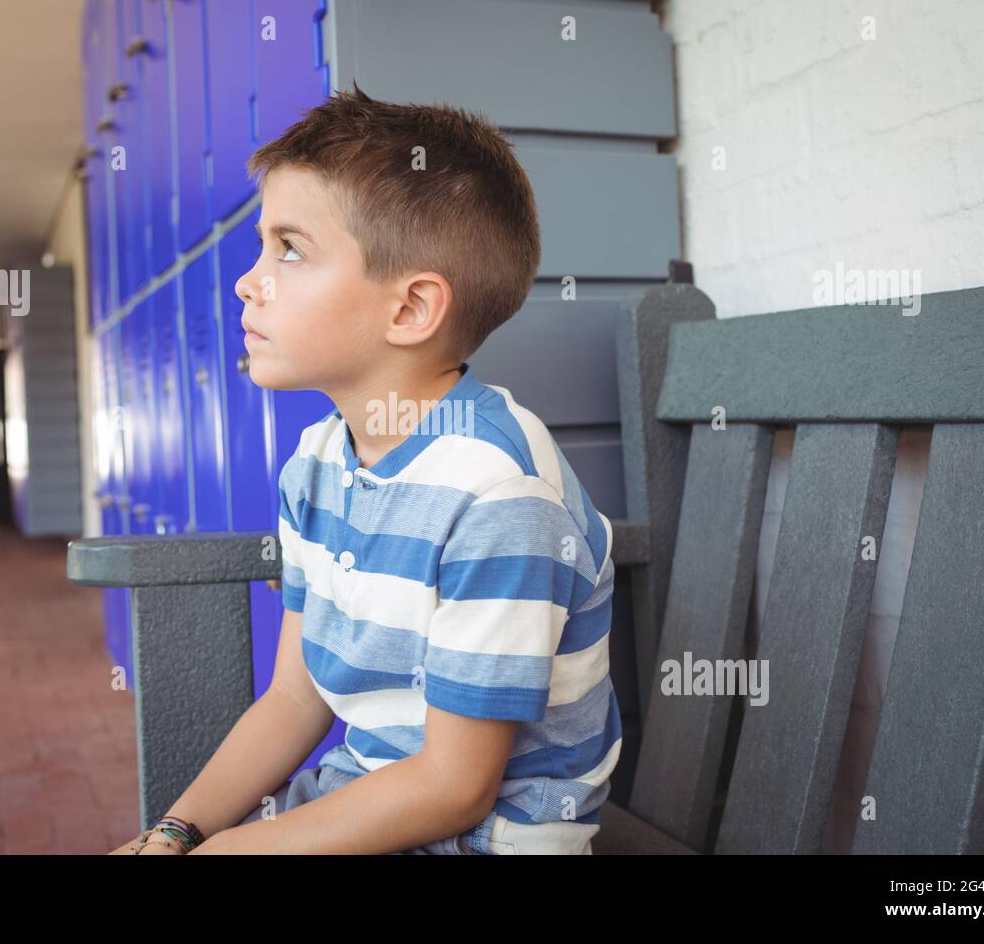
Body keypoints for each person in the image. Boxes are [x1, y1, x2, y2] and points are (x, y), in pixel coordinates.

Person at [112, 82, 619, 855]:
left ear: (411, 310)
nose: (249, 280)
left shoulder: (499, 493)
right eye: (260, 246)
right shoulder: (315, 463)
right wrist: (177, 834)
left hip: (488, 838)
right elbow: (294, 696)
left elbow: (454, 787)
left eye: (289, 248)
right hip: (366, 801)